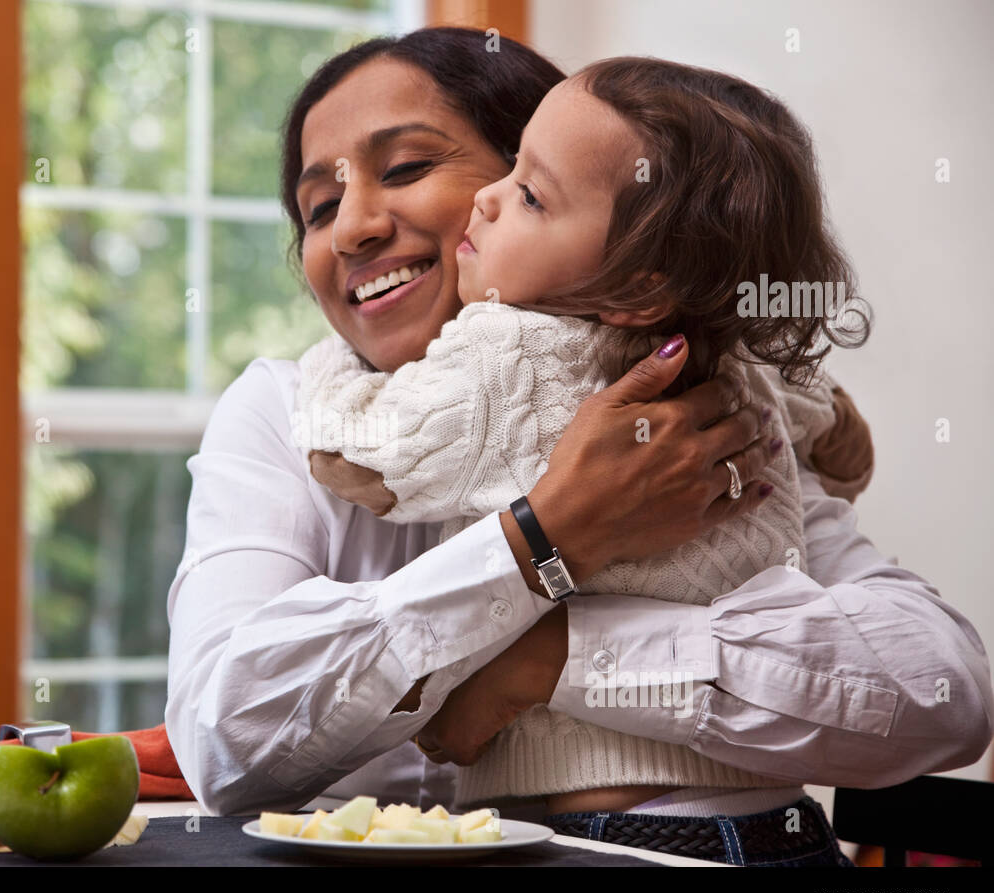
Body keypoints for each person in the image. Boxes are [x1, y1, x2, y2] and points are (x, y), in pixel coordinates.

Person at [164, 27, 992, 866]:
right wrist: (545, 538)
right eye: (319, 208)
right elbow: (224, 742)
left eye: (409, 167)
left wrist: (556, 656)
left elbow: (944, 693)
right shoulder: (292, 410)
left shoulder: (700, 411)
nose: (353, 229)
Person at [292, 55, 876, 826]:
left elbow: (361, 458)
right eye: (321, 207)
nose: (491, 202)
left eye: (528, 192)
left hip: (601, 827)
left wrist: (324, 365)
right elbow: (835, 431)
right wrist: (842, 438)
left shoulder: (509, 351)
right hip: (769, 818)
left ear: (640, 286)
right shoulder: (736, 362)